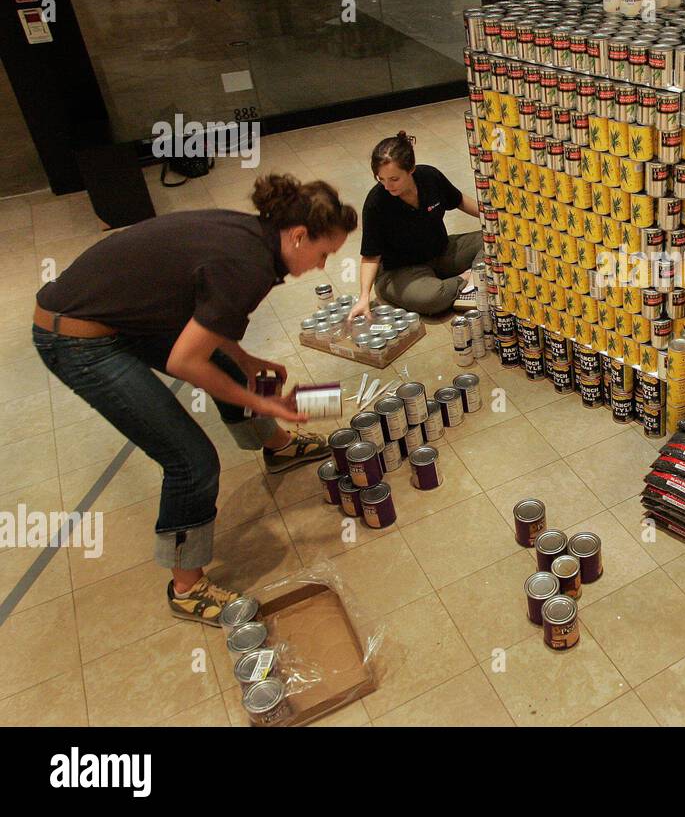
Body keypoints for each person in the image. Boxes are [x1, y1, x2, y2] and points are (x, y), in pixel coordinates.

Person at [33, 176, 356, 624]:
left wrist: (244, 361)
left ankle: (278, 447)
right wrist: (262, 402)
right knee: (191, 461)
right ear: (298, 235)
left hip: (117, 314)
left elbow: (207, 314)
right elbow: (187, 361)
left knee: (229, 369)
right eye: (324, 254)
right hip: (77, 339)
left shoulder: (254, 236)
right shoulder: (248, 265)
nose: (322, 266)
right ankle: (186, 586)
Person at [350, 131, 483, 322]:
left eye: (394, 179)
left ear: (411, 168)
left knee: (493, 239)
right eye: (381, 179)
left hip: (441, 251)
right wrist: (364, 297)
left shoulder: (429, 176)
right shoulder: (376, 202)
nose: (388, 186)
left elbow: (459, 200)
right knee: (432, 299)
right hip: (401, 270)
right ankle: (468, 279)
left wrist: (495, 218)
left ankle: (464, 282)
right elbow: (370, 256)